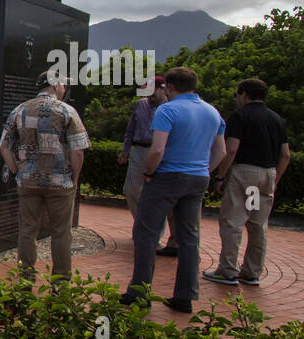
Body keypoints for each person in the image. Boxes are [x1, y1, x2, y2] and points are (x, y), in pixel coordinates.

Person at [121, 66, 225, 312]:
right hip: (198, 179)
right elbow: (221, 151)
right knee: (189, 238)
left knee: (146, 233)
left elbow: (157, 149)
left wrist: (149, 172)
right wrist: (204, 170)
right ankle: (184, 296)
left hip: (167, 176)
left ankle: (139, 293)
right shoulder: (212, 112)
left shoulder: (167, 110)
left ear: (169, 86)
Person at [0, 70, 90, 281]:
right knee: (61, 233)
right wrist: (74, 179)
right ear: (55, 85)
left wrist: (16, 170)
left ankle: (25, 281)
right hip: (60, 183)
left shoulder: (20, 110)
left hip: (28, 182)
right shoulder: (66, 110)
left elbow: (3, 145)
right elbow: (77, 151)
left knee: (27, 230)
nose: (64, 88)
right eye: (63, 85)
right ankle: (60, 284)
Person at [204, 78, 290, 287]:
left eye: (237, 95)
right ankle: (252, 272)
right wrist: (276, 179)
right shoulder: (277, 119)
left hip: (245, 174)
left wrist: (221, 176)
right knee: (257, 223)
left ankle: (227, 270)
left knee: (233, 221)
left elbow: (231, 148)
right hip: (267, 175)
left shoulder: (240, 116)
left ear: (244, 94)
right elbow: (285, 155)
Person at [119, 75, 179, 255]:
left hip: (161, 152)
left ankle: (154, 234)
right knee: (131, 190)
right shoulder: (140, 105)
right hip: (139, 150)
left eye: (153, 91)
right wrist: (125, 150)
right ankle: (142, 224)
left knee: (158, 196)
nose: (150, 95)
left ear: (163, 89)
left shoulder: (171, 108)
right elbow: (130, 129)